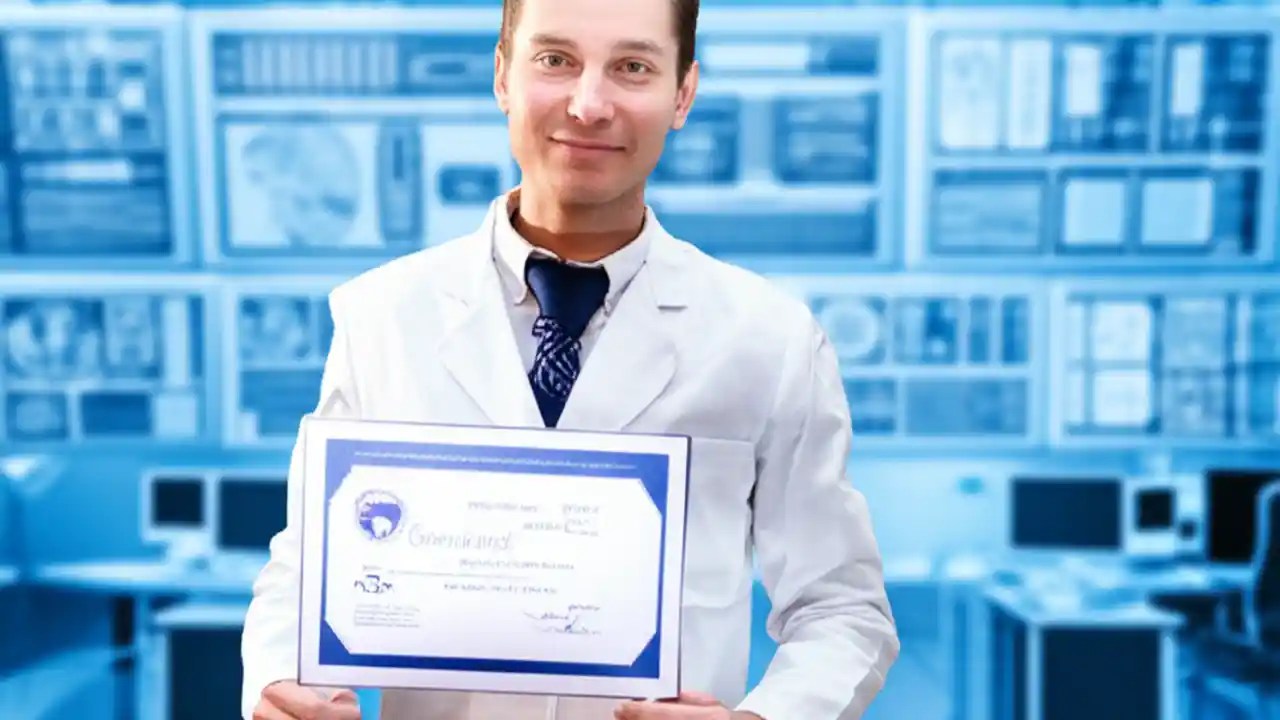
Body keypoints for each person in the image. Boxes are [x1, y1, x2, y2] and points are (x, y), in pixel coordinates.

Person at [240, 0, 900, 717]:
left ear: (683, 94)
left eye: (633, 68)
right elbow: (308, 564)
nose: (589, 105)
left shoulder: (768, 339)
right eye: (555, 60)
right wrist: (279, 681)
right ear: (502, 76)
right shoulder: (382, 316)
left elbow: (841, 609)